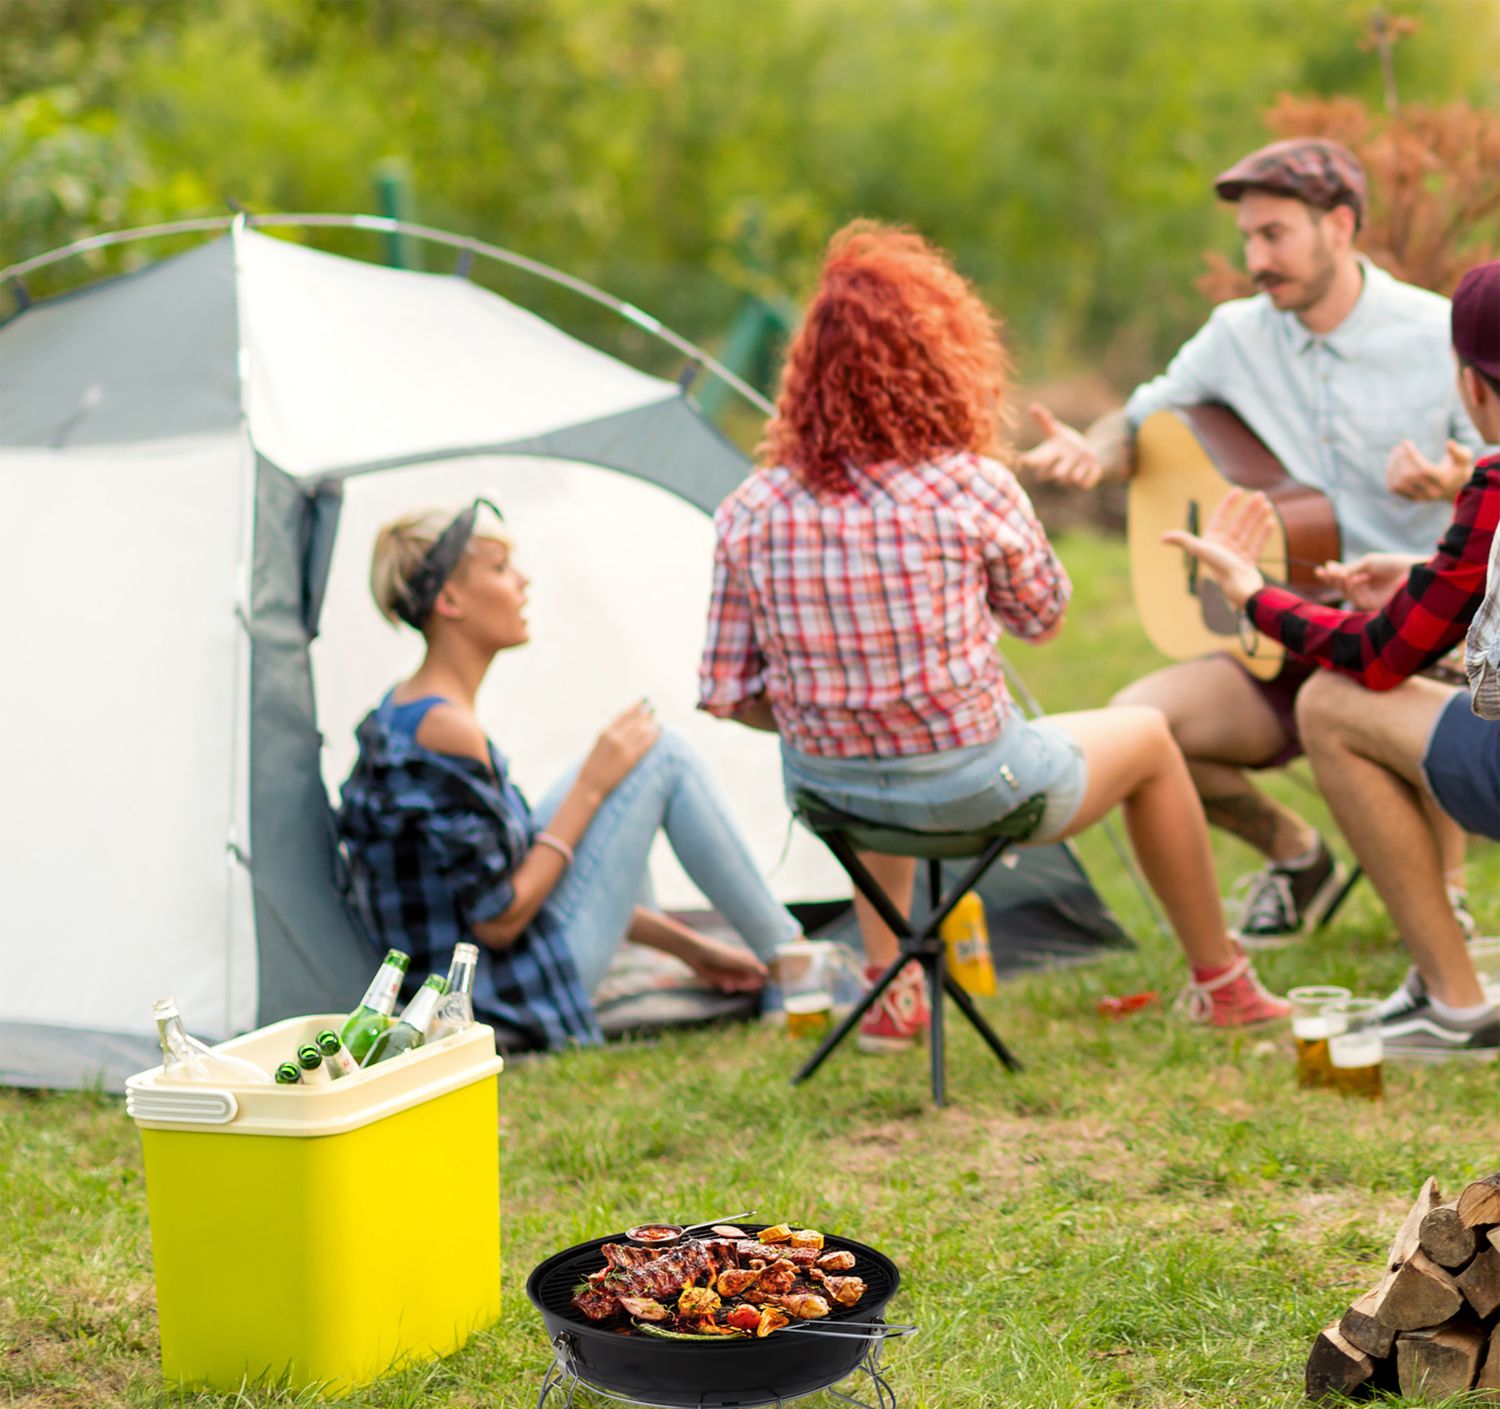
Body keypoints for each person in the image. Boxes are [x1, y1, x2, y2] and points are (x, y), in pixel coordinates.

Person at [697, 221, 1286, 1054]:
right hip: (983, 789)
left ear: (807, 377)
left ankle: (890, 985)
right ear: (943, 359)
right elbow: (1043, 621)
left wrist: (832, 708)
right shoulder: (972, 488)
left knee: (873, 745)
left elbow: (727, 695)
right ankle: (1222, 985)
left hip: (831, 794)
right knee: (1152, 739)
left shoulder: (751, 508)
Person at [1022, 138, 1486, 948]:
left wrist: (1454, 481)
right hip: (1280, 625)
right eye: (1248, 238)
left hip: (1411, 629)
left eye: (1275, 235)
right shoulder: (1234, 335)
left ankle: (1444, 909)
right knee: (1140, 725)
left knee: (1388, 693)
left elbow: (1496, 473)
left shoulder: (1433, 331)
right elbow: (1138, 420)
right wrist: (1093, 453)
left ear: (1339, 226)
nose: (1256, 258)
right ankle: (1295, 854)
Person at [1166, 261, 1500, 1058]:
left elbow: (1378, 656)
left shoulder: (1494, 480)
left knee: (1332, 704)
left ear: (1474, 384)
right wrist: (1424, 577)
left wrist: (1253, 596)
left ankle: (1455, 1006)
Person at [337, 500, 801, 1050]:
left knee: (638, 754)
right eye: (501, 568)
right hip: (496, 990)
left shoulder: (409, 709)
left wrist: (690, 949)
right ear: (451, 599)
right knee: (662, 757)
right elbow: (500, 921)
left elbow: (517, 869)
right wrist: (592, 787)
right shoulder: (446, 730)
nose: (524, 581)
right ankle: (796, 967)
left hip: (486, 969)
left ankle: (786, 960)